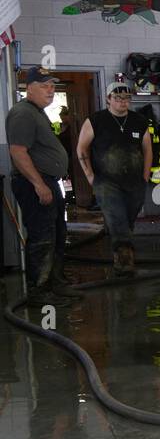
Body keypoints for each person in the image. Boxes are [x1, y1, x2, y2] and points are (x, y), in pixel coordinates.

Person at [5, 67, 79, 308]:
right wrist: (38, 184)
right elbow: (18, 151)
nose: (50, 90)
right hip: (34, 183)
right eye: (45, 85)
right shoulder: (23, 113)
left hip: (48, 181)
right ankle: (39, 291)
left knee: (57, 233)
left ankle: (55, 282)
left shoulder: (37, 113)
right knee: (42, 236)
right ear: (30, 88)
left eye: (52, 85)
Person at [75, 82, 152, 277]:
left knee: (127, 220)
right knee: (117, 217)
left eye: (126, 98)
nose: (123, 102)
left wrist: (145, 176)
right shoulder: (95, 121)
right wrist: (91, 177)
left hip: (135, 182)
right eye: (118, 98)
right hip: (106, 182)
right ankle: (123, 260)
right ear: (108, 99)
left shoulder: (140, 121)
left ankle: (120, 243)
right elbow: (81, 148)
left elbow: (147, 150)